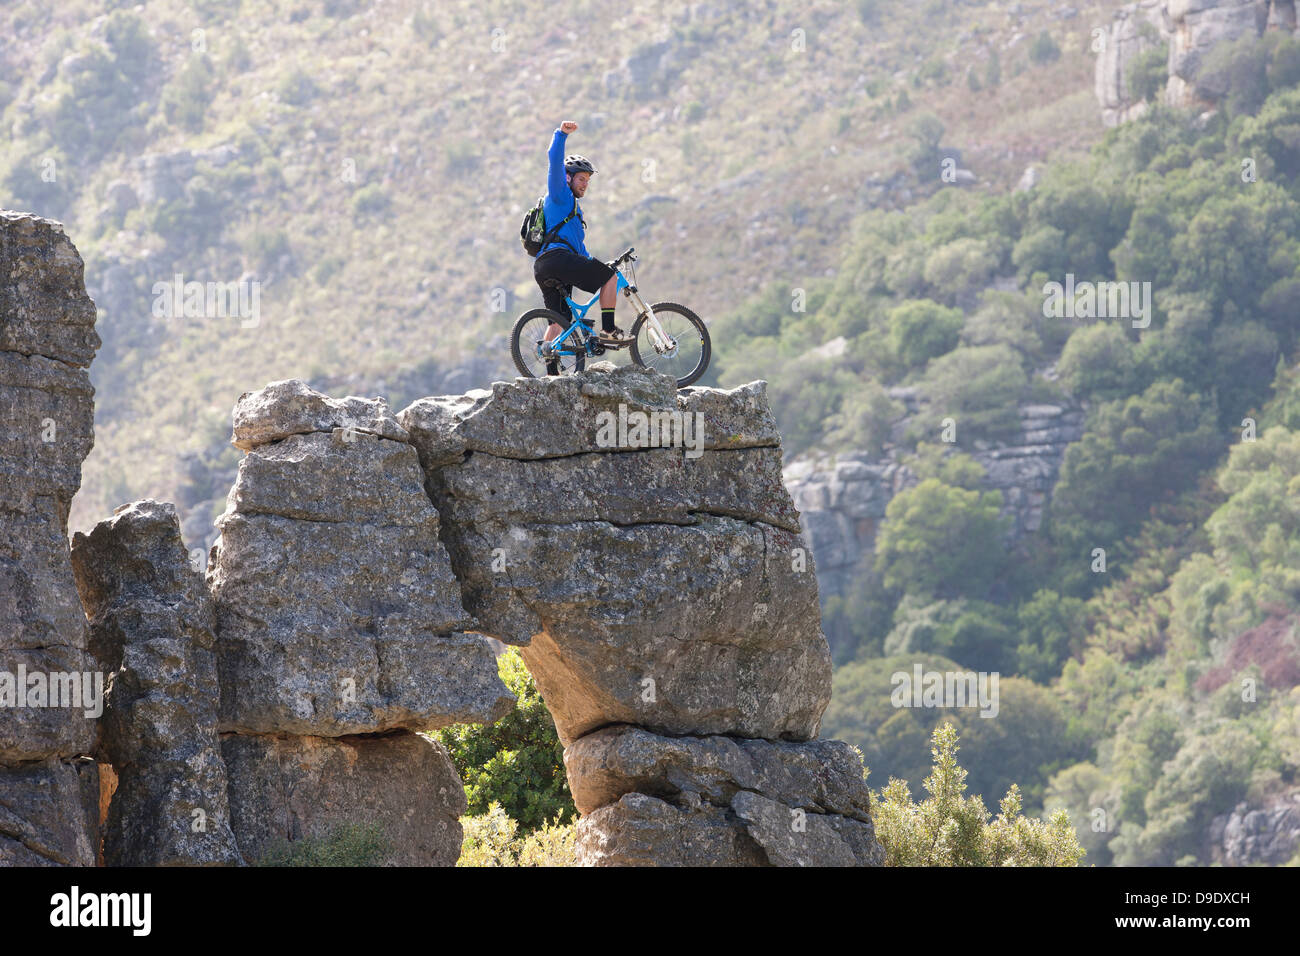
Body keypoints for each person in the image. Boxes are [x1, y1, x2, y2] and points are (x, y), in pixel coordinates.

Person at [533, 120, 632, 373]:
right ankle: (609, 330)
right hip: (557, 259)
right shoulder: (559, 193)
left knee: (560, 320)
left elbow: (579, 251)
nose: (585, 183)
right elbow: (554, 159)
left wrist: (596, 263)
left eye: (588, 179)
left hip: (546, 265)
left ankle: (551, 373)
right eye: (581, 178)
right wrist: (561, 135)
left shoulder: (573, 210)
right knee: (609, 278)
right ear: (568, 178)